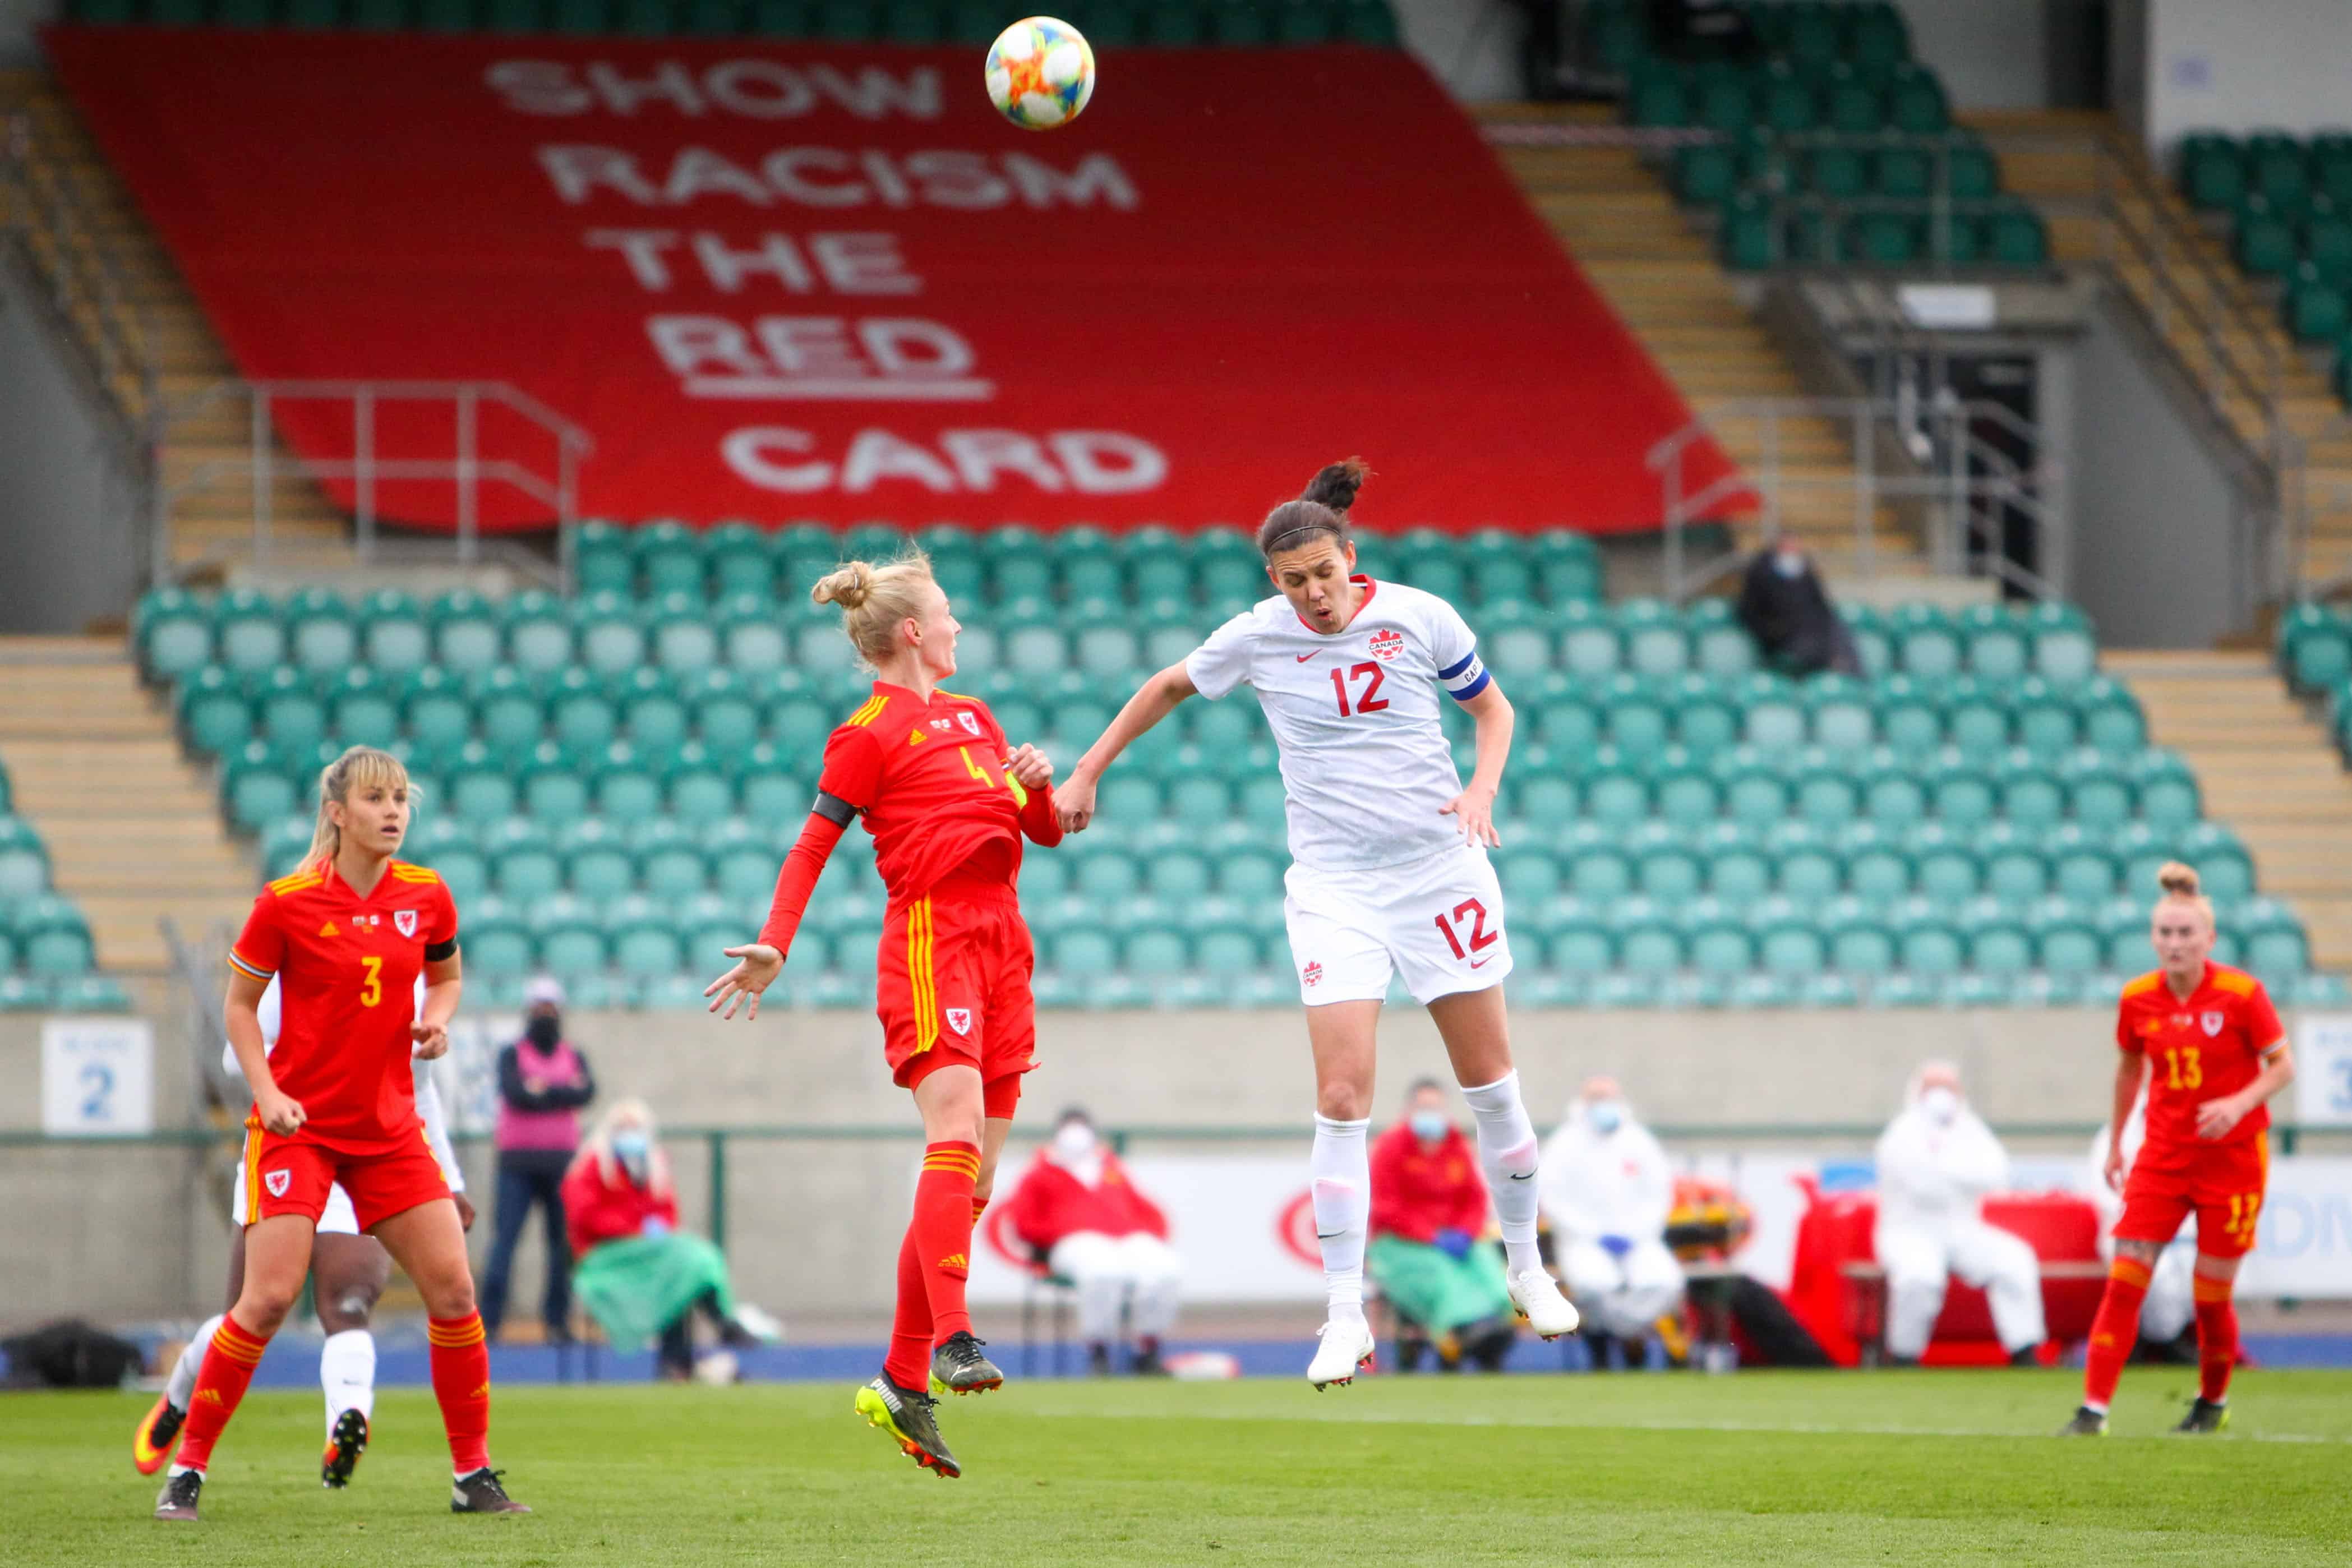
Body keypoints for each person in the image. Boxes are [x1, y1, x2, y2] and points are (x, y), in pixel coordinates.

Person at [1053, 458, 1580, 1390]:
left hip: (1437, 871)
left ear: (1350, 558)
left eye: (1323, 576)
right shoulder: (1257, 637)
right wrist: (1088, 769)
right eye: (1293, 583)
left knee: (1488, 1083)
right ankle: (1342, 1318)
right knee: (1341, 1096)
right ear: (1274, 583)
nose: (1313, 597)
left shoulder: (1419, 617)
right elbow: (1166, 687)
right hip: (1334, 886)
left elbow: (1492, 711)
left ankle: (1526, 1268)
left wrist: (1480, 788)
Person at [703, 548, 1063, 1481]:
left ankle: (901, 1383)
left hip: (1004, 942)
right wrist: (774, 941)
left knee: (974, 1179)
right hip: (931, 935)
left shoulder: (976, 716)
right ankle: (951, 1339)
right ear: (911, 631)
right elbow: (811, 843)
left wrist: (1033, 778)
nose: (956, 628)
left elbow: (1046, 827)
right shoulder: (865, 732)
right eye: (945, 614)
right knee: (952, 1136)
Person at [151, 744, 525, 1522]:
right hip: (298, 1133)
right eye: (377, 800)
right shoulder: (285, 902)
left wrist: (437, 1022)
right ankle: (186, 1471)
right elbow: (238, 1011)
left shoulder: (426, 894)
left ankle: (473, 1476)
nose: (393, 813)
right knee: (264, 1301)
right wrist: (268, 1092)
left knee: (455, 1292)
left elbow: (448, 977)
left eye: (401, 800)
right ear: (337, 813)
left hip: (390, 1131)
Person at [136, 971, 473, 1491]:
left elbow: (420, 1091)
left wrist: (449, 1180)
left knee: (351, 1300)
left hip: (367, 1158)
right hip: (290, 1144)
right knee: (251, 1312)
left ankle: (347, 1420)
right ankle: (179, 1397)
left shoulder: (407, 962)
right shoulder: (301, 944)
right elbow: (235, 1052)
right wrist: (300, 1065)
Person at [2062, 863, 2295, 1436]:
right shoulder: (2139, 998)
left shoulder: (2243, 995)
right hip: (2163, 1155)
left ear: (2209, 939)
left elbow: (2283, 1066)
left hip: (2233, 1158)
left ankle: (2210, 1402)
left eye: (2185, 933)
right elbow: (2128, 1070)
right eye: (2164, 933)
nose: (2174, 943)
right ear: (2153, 939)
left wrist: (2238, 1104)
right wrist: (2117, 1144)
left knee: (2209, 1296)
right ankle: (2093, 1411)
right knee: (2125, 1280)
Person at [562, 1100, 773, 1381]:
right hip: (605, 1258)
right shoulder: (590, 1167)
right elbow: (584, 1217)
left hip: (650, 1256)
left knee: (689, 1266)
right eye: (624, 1128)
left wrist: (657, 1230)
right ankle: (721, 1322)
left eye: (636, 1128)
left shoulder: (652, 1167)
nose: (630, 1135)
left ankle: (678, 1365)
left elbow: (668, 1213)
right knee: (686, 1262)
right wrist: (636, 1230)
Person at [1871, 1060, 2045, 1368]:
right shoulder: (1901, 1132)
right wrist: (1960, 1171)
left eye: (1948, 1087)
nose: (1942, 1095)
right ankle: (1904, 1356)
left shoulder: (1971, 1128)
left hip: (1964, 1229)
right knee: (1919, 1277)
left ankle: (2024, 1350)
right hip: (1909, 1231)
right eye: (1933, 1087)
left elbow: (1996, 1174)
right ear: (1917, 1091)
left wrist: (1944, 1166)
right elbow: (1923, 1185)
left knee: (2015, 1260)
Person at [1005, 1107, 1183, 1375]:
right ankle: (1098, 1351)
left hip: (1126, 1240)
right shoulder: (1039, 1174)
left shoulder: (1112, 1169)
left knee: (1167, 1269)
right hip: (1074, 1243)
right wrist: (1056, 1236)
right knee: (1102, 1273)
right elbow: (1024, 1222)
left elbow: (1146, 1209)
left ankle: (1147, 1348)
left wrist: (1149, 1233)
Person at [1367, 1080, 1516, 1372]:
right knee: (1442, 1275)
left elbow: (1474, 1198)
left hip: (1457, 1240)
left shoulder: (1456, 1145)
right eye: (1423, 1108)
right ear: (1408, 1111)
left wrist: (1465, 1232)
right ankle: (1460, 1331)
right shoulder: (1390, 1148)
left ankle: (1496, 1326)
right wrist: (1431, 1236)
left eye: (1435, 1108)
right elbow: (1387, 1208)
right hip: (1401, 1245)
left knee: (1486, 1263)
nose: (1430, 1115)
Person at [479, 975, 594, 1345]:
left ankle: (557, 1323)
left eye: (551, 1008)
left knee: (561, 1247)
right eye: (539, 1008)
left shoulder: (574, 1054)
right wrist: (561, 1093)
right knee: (505, 1243)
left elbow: (586, 1092)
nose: (545, 1014)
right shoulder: (512, 1054)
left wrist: (543, 1090)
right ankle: (490, 1323)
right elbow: (517, 1093)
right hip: (517, 1164)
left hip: (562, 1165)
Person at [1539, 1077, 1685, 1369]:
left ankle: (1620, 1334)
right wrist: (1593, 1234)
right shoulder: (1564, 1145)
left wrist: (1636, 1233)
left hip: (1638, 1240)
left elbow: (1659, 1195)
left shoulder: (1640, 1142)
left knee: (1664, 1282)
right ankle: (1624, 1340)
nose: (1604, 1106)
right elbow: (1553, 1199)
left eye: (1609, 1098)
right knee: (1595, 1285)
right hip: (1583, 1241)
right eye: (1597, 1099)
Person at [1735, 532, 1860, 677]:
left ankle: (1851, 680)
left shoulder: (1805, 571)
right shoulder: (1760, 574)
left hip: (1814, 630)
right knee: (1816, 647)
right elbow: (1750, 612)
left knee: (1839, 633)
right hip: (1784, 637)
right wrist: (1774, 631)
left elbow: (1821, 605)